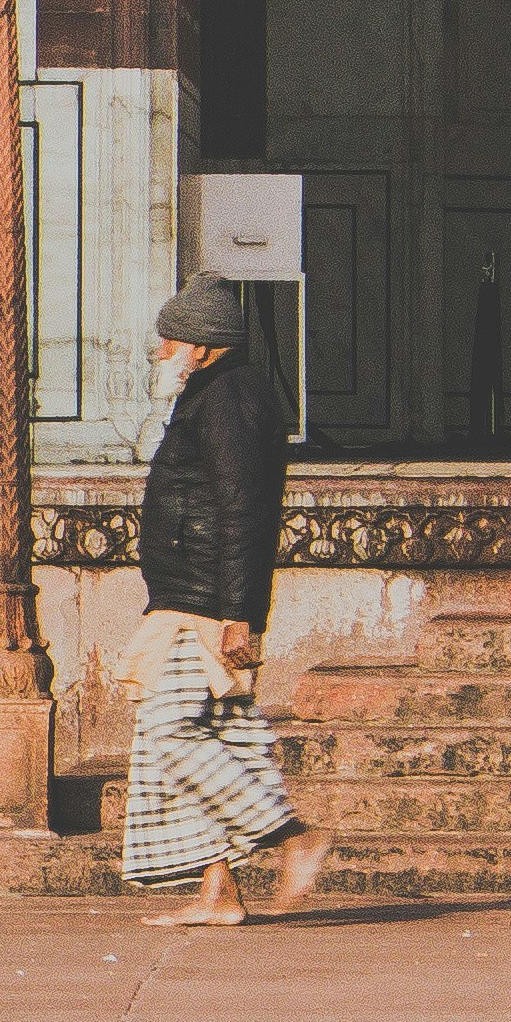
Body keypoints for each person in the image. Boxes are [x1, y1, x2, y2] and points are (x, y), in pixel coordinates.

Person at [129, 272, 331, 926]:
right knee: (212, 738)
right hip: (193, 594)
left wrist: (238, 613)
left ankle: (290, 838)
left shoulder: (228, 401)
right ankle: (219, 890)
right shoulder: (212, 395)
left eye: (169, 340)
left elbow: (243, 510)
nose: (160, 351)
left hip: (205, 603)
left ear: (202, 344)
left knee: (172, 731)